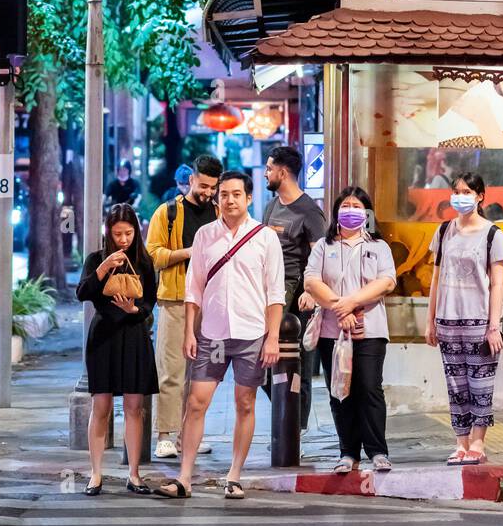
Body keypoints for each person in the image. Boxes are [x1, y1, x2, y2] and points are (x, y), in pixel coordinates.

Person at [154, 171, 284, 502]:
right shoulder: (205, 236)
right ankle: (184, 477)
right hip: (212, 333)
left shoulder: (265, 237)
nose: (229, 200)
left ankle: (234, 476)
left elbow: (275, 293)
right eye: (224, 194)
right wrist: (189, 332)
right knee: (196, 402)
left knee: (245, 402)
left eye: (236, 194)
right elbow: (193, 287)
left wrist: (272, 339)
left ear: (249, 198)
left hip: (251, 332)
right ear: (218, 199)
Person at [303, 186, 397, 474]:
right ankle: (348, 453)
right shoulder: (324, 246)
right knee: (340, 391)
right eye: (346, 206)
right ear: (336, 212)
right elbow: (311, 281)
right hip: (333, 332)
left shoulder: (378, 246)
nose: (351, 211)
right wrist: (338, 309)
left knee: (369, 388)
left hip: (370, 330)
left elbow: (387, 282)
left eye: (358, 206)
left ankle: (378, 452)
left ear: (366, 212)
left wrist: (350, 303)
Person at [424, 172, 503, 465]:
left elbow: (497, 283)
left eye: (467, 191)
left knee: (480, 385)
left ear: (480, 196)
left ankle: (477, 442)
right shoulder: (444, 230)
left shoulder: (493, 234)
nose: (460, 196)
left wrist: (494, 326)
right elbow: (435, 277)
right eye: (456, 190)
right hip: (448, 320)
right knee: (456, 385)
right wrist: (430, 320)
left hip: (480, 321)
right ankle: (460, 442)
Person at [76, 204, 159, 495]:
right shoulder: (97, 259)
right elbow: (82, 293)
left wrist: (133, 308)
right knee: (101, 406)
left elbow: (150, 303)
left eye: (128, 233)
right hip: (104, 337)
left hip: (135, 335)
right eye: (117, 234)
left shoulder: (145, 262)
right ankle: (95, 474)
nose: (124, 239)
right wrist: (104, 267)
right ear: (108, 233)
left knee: (135, 407)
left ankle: (134, 474)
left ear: (136, 231)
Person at [145, 154, 222, 459]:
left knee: (199, 374)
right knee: (172, 371)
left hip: (209, 302)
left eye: (212, 188)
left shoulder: (218, 214)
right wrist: (189, 252)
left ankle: (188, 435)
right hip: (175, 299)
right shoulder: (168, 213)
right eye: (203, 185)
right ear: (191, 180)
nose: (207, 192)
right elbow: (153, 254)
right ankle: (165, 434)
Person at [262, 144, 327, 429]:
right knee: (262, 364)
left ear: (283, 172)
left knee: (299, 364)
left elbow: (320, 257)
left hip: (298, 298)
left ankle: (295, 431)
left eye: (269, 168)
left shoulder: (310, 212)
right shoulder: (271, 205)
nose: (266, 174)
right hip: (269, 294)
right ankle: (287, 418)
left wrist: (311, 293)